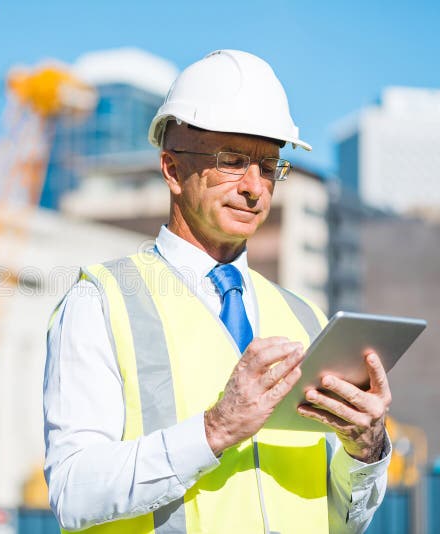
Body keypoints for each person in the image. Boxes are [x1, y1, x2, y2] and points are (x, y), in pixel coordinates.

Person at [43, 50, 392, 533]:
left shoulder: (306, 318)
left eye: (269, 166)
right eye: (232, 161)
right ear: (171, 169)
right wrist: (214, 431)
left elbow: (341, 520)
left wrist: (366, 450)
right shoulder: (100, 302)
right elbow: (73, 491)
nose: (255, 187)